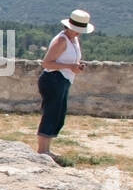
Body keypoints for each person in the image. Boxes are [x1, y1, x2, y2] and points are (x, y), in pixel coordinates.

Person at [37, 9, 94, 160]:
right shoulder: (61, 40)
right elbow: (47, 63)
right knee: (51, 113)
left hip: (62, 80)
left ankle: (46, 149)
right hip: (53, 79)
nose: (78, 33)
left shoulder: (73, 40)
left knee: (57, 114)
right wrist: (70, 67)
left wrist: (76, 66)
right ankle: (42, 150)